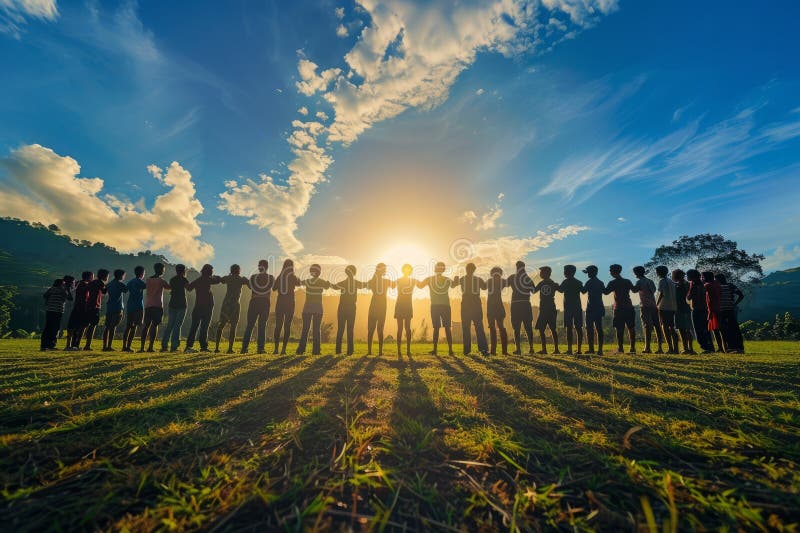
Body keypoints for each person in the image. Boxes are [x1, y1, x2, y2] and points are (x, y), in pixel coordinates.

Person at [417, 261, 456, 356]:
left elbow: (420, 286)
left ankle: (435, 350)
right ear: (443, 269)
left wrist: (413, 280)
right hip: (445, 306)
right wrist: (456, 279)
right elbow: (454, 285)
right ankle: (450, 350)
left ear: (435, 269)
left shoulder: (429, 279)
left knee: (436, 328)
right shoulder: (447, 279)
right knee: (447, 328)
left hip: (435, 306)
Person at [185, 264, 221, 353]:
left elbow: (189, 288)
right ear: (209, 271)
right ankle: (203, 347)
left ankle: (189, 347)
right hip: (207, 307)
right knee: (204, 327)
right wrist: (217, 277)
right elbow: (217, 281)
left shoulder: (198, 280)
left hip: (197, 307)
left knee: (194, 327)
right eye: (212, 270)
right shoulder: (208, 279)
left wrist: (183, 281)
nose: (213, 271)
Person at [455, 263, 489, 356]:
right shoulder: (478, 280)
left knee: (466, 327)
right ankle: (483, 349)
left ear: (466, 270)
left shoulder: (462, 279)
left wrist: (455, 278)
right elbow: (485, 287)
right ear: (474, 270)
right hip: (475, 304)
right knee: (479, 327)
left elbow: (453, 285)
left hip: (466, 304)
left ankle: (467, 350)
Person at [331, 265, 366, 355]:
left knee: (341, 329)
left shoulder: (343, 283)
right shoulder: (355, 283)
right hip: (350, 307)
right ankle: (350, 351)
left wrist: (326, 283)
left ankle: (338, 350)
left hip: (343, 307)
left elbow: (334, 286)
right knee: (349, 329)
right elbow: (365, 285)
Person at [241, 260, 275, 354]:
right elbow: (274, 287)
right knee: (262, 325)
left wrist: (246, 280)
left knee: (250, 325)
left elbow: (251, 287)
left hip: (254, 302)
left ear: (259, 267)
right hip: (265, 302)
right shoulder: (271, 277)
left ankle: (244, 348)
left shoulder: (253, 277)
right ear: (267, 267)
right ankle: (260, 349)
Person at [215, 264, 250, 354]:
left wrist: (216, 277)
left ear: (231, 270)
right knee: (233, 327)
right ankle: (230, 349)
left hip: (226, 303)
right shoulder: (241, 279)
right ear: (239, 270)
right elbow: (250, 285)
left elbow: (221, 280)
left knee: (221, 325)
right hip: (235, 304)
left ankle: (216, 348)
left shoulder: (228, 278)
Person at [297, 264, 330, 355]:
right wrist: (327, 282)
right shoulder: (321, 282)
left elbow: (299, 282)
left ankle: (301, 349)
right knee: (316, 330)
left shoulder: (308, 281)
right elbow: (327, 286)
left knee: (305, 329)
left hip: (307, 308)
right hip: (318, 308)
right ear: (319, 272)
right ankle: (316, 350)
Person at [604, 264, 637, 354]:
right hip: (629, 307)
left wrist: (601, 285)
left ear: (613, 272)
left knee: (619, 329)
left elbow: (606, 292)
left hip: (618, 308)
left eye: (610, 271)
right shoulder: (627, 281)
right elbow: (634, 290)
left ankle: (621, 348)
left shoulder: (612, 283)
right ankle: (632, 348)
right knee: (631, 327)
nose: (610, 272)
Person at [140, 263, 170, 353]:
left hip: (148, 305)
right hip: (157, 306)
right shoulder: (161, 281)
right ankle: (150, 347)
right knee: (154, 326)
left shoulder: (148, 280)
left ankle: (142, 348)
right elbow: (169, 288)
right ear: (161, 270)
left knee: (146, 326)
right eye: (163, 270)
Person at [365, 263, 394, 356]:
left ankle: (370, 351)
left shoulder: (373, 281)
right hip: (382, 307)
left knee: (371, 329)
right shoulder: (386, 281)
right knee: (380, 329)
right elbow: (394, 285)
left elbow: (368, 286)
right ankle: (380, 352)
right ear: (384, 271)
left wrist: (376, 274)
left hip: (374, 306)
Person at [273, 259, 301, 355]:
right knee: (287, 325)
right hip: (290, 302)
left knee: (278, 325)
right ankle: (283, 349)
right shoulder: (293, 277)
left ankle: (276, 349)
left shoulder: (280, 276)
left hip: (280, 301)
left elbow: (273, 288)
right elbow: (299, 283)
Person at [507, 261, 535, 355]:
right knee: (528, 327)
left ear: (516, 267)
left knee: (516, 328)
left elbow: (504, 285)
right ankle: (531, 348)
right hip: (526, 304)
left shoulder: (512, 277)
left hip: (515, 305)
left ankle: (518, 349)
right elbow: (534, 291)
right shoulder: (527, 279)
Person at [633, 266, 663, 353]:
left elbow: (634, 290)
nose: (634, 275)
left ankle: (647, 347)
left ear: (637, 273)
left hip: (645, 306)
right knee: (657, 326)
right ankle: (660, 348)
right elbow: (653, 291)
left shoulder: (639, 282)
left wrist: (628, 285)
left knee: (647, 326)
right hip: (653, 305)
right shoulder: (650, 281)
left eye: (635, 273)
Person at [161, 264, 190, 352]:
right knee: (177, 325)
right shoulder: (184, 279)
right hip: (181, 304)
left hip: (172, 304)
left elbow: (171, 289)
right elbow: (189, 288)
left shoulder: (172, 279)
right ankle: (174, 346)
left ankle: (164, 345)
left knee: (170, 325)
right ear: (183, 271)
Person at [686, 269, 714, 353]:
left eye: (688, 275)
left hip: (698, 309)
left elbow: (689, 297)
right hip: (703, 309)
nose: (687, 277)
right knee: (704, 329)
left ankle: (706, 347)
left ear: (692, 276)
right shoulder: (701, 284)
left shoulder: (695, 285)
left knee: (699, 330)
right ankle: (709, 347)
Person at [534, 266, 560, 354]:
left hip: (544, 309)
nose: (540, 274)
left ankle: (544, 349)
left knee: (542, 329)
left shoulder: (541, 284)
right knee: (553, 329)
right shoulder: (553, 283)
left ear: (546, 273)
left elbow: (533, 291)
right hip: (551, 308)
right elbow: (561, 290)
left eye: (541, 272)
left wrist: (529, 283)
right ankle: (556, 349)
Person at [81, 269, 109, 350]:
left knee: (84, 325)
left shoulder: (92, 282)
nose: (107, 277)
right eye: (107, 276)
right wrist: (108, 285)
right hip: (95, 306)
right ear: (104, 276)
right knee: (92, 326)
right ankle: (87, 345)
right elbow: (104, 292)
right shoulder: (100, 283)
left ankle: (77, 343)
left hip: (88, 305)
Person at [559, 265, 584, 355]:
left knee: (569, 328)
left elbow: (560, 290)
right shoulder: (578, 282)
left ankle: (570, 349)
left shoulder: (565, 282)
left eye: (565, 271)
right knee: (578, 328)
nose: (564, 273)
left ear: (570, 272)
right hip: (577, 307)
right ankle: (579, 350)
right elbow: (584, 291)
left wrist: (555, 285)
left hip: (568, 308)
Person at [717, 274, 745, 353]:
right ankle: (738, 347)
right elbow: (741, 295)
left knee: (726, 329)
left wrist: (734, 304)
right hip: (731, 310)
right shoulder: (731, 286)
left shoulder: (718, 287)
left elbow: (741, 295)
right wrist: (735, 304)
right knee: (734, 328)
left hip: (722, 311)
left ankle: (732, 347)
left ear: (718, 279)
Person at [42, 279, 72, 351]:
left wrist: (48, 302)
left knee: (47, 327)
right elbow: (70, 298)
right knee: (55, 328)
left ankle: (43, 345)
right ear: (61, 284)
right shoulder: (62, 291)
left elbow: (45, 295)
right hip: (57, 311)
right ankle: (51, 345)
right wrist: (68, 289)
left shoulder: (51, 289)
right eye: (63, 284)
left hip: (49, 310)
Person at [394, 264, 417, 357]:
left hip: (406, 305)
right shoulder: (398, 280)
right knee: (401, 328)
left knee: (406, 328)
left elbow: (421, 284)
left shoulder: (412, 280)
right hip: (401, 305)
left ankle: (407, 350)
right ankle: (400, 350)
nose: (407, 271)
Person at [581, 265, 605, 355]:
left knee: (589, 329)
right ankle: (600, 350)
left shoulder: (589, 282)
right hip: (599, 307)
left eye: (588, 273)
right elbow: (605, 292)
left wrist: (579, 284)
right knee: (599, 328)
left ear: (592, 273)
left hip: (590, 308)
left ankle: (591, 349)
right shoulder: (600, 282)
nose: (587, 274)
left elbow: (583, 291)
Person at [66, 271, 93, 351]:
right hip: (82, 308)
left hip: (76, 307)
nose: (93, 278)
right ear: (89, 277)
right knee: (80, 327)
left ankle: (70, 345)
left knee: (73, 327)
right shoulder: (85, 285)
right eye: (92, 276)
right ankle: (74, 345)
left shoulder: (78, 283)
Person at [122, 266, 146, 352]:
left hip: (130, 306)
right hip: (138, 306)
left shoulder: (130, 282)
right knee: (134, 326)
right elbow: (147, 287)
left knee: (128, 326)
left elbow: (125, 290)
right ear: (142, 273)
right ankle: (128, 347)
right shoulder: (141, 282)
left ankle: (124, 346)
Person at [655, 265, 679, 354]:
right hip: (672, 306)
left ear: (659, 272)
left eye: (657, 272)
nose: (656, 273)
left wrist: (656, 304)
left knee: (664, 327)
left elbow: (661, 294)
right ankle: (675, 348)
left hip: (664, 306)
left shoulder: (662, 281)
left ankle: (670, 348)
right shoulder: (671, 281)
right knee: (672, 327)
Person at [672, 269, 696, 354]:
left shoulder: (675, 286)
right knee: (688, 328)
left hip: (679, 309)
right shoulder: (689, 284)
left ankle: (686, 348)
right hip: (689, 308)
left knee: (682, 329)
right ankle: (690, 348)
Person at [102, 269, 128, 351]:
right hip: (117, 307)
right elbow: (126, 290)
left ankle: (104, 346)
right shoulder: (120, 284)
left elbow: (104, 291)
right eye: (123, 275)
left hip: (109, 307)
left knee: (107, 327)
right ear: (120, 276)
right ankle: (109, 346)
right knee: (113, 327)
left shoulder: (109, 284)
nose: (124, 277)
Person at [486, 267, 509, 356]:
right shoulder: (502, 281)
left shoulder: (489, 281)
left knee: (492, 329)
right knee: (501, 327)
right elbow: (508, 283)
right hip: (499, 306)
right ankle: (504, 350)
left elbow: (483, 287)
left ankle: (493, 351)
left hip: (491, 307)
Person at [702, 271, 724, 352]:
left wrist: (710, 312)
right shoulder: (717, 284)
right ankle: (723, 347)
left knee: (715, 329)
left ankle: (720, 347)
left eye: (702, 277)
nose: (702, 278)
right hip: (719, 307)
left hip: (712, 309)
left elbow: (709, 299)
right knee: (720, 329)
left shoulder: (707, 285)